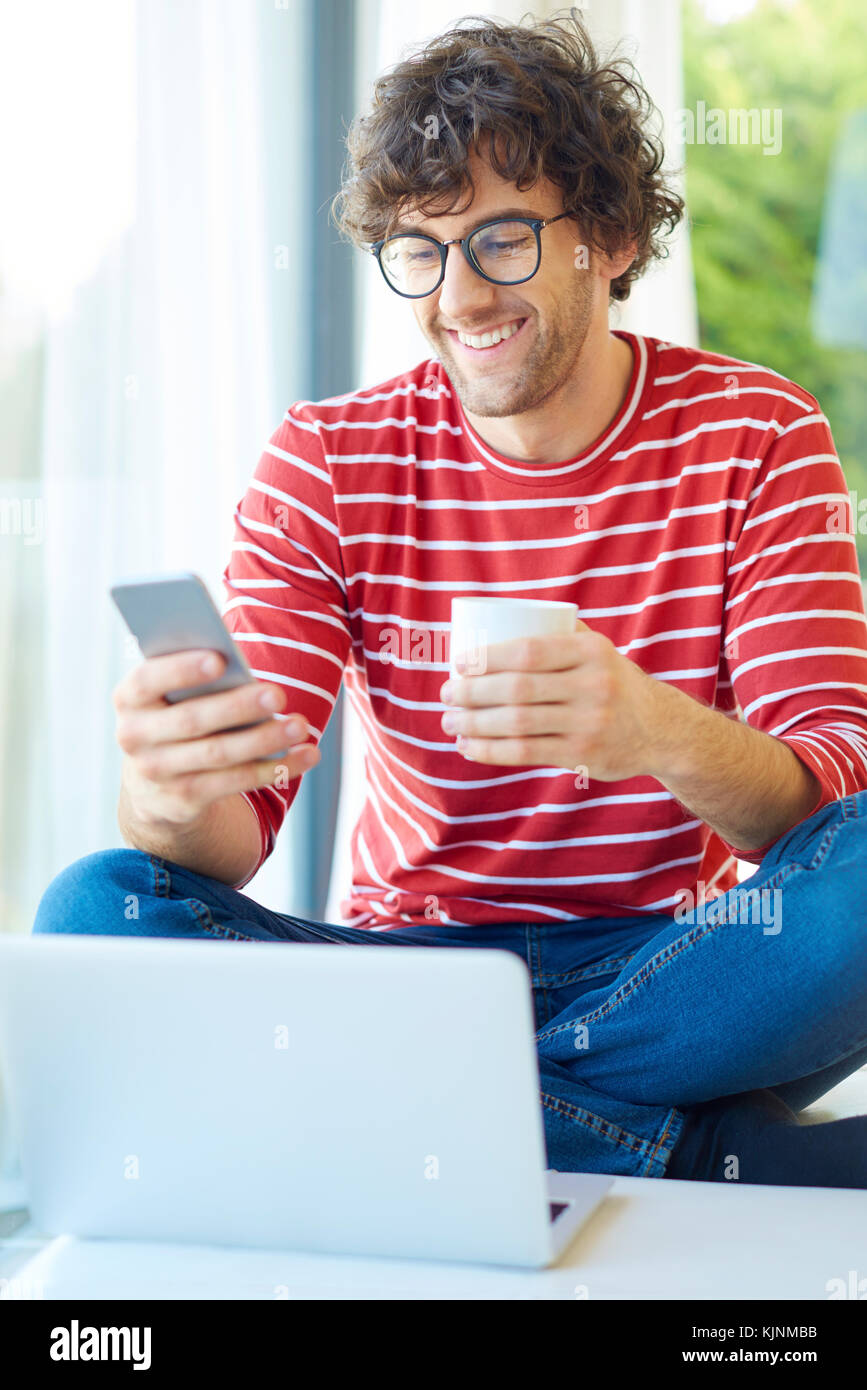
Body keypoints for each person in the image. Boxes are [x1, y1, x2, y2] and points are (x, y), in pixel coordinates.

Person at [35, 13, 867, 1188]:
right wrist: (171, 791)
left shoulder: (756, 433)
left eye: (505, 238)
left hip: (672, 975)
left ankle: (413, 1103)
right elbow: (230, 842)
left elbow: (823, 796)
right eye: (421, 250)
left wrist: (650, 728)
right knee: (96, 907)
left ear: (612, 235)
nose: (461, 296)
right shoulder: (331, 458)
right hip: (406, 969)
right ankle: (708, 1150)